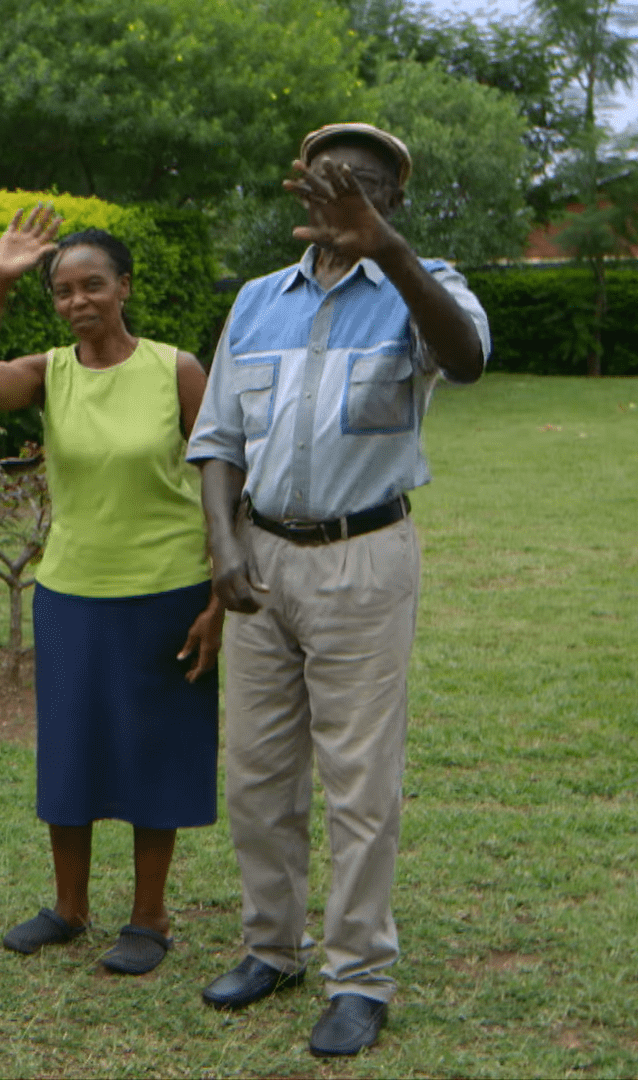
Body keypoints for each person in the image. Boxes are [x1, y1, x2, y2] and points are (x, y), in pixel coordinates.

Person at [186, 123, 489, 1057]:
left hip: (366, 558)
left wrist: (388, 255)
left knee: (360, 781)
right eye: (326, 176)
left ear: (391, 201)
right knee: (257, 773)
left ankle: (358, 976)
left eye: (363, 182)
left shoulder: (423, 283)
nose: (340, 190)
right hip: (262, 562)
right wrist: (222, 542)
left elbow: (469, 359)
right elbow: (218, 438)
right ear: (301, 192)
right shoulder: (256, 301)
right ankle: (271, 947)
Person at [0, 208, 223, 975]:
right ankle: (69, 908)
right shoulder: (52, 372)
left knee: (155, 750)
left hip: (169, 588)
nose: (78, 302)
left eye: (93, 286)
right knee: (71, 753)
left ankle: (150, 917)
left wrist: (218, 599)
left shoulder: (177, 370)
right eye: (63, 291)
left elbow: (220, 483)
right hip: (71, 592)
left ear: (124, 287)